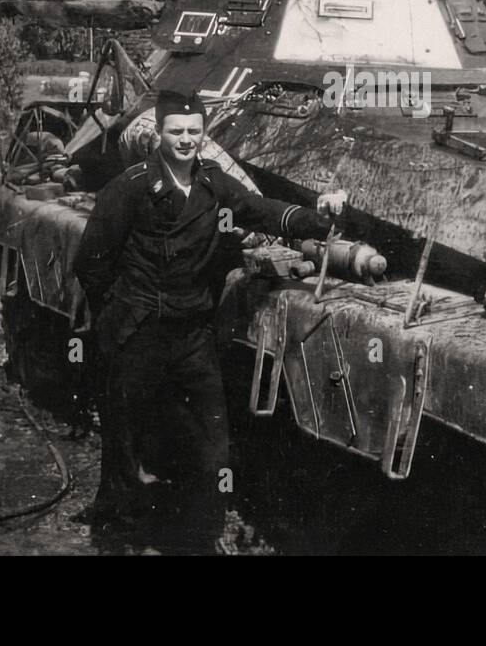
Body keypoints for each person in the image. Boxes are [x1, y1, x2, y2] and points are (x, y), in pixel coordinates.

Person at [72, 89, 346, 552]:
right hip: (141, 330)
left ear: (203, 135)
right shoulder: (132, 187)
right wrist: (121, 316)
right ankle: (115, 534)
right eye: (176, 132)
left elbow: (262, 211)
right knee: (125, 438)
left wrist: (316, 216)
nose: (185, 141)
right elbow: (92, 262)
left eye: (193, 133)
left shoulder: (214, 183)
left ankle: (202, 534)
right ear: (158, 134)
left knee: (211, 442)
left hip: (192, 336)